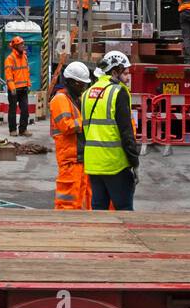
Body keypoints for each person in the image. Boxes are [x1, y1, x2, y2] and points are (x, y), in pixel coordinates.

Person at [81, 50, 140, 211]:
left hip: (93, 163)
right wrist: (134, 162)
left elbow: (85, 130)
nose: (128, 77)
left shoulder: (87, 94)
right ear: (114, 72)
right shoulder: (118, 92)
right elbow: (126, 133)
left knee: (98, 210)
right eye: (125, 73)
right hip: (115, 163)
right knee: (124, 209)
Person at [49, 61, 92, 210]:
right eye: (81, 84)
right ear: (72, 82)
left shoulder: (74, 99)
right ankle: (64, 222)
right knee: (67, 202)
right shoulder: (60, 99)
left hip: (78, 157)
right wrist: (86, 122)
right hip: (69, 159)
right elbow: (66, 126)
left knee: (81, 198)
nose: (83, 88)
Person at [4, 35, 30, 137]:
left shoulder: (24, 57)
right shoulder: (10, 59)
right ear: (15, 46)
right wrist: (12, 88)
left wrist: (28, 84)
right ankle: (13, 130)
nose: (23, 46)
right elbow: (8, 75)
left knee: (25, 109)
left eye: (23, 44)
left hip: (23, 88)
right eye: (20, 44)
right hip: (14, 89)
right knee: (13, 110)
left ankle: (23, 129)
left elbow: (26, 72)